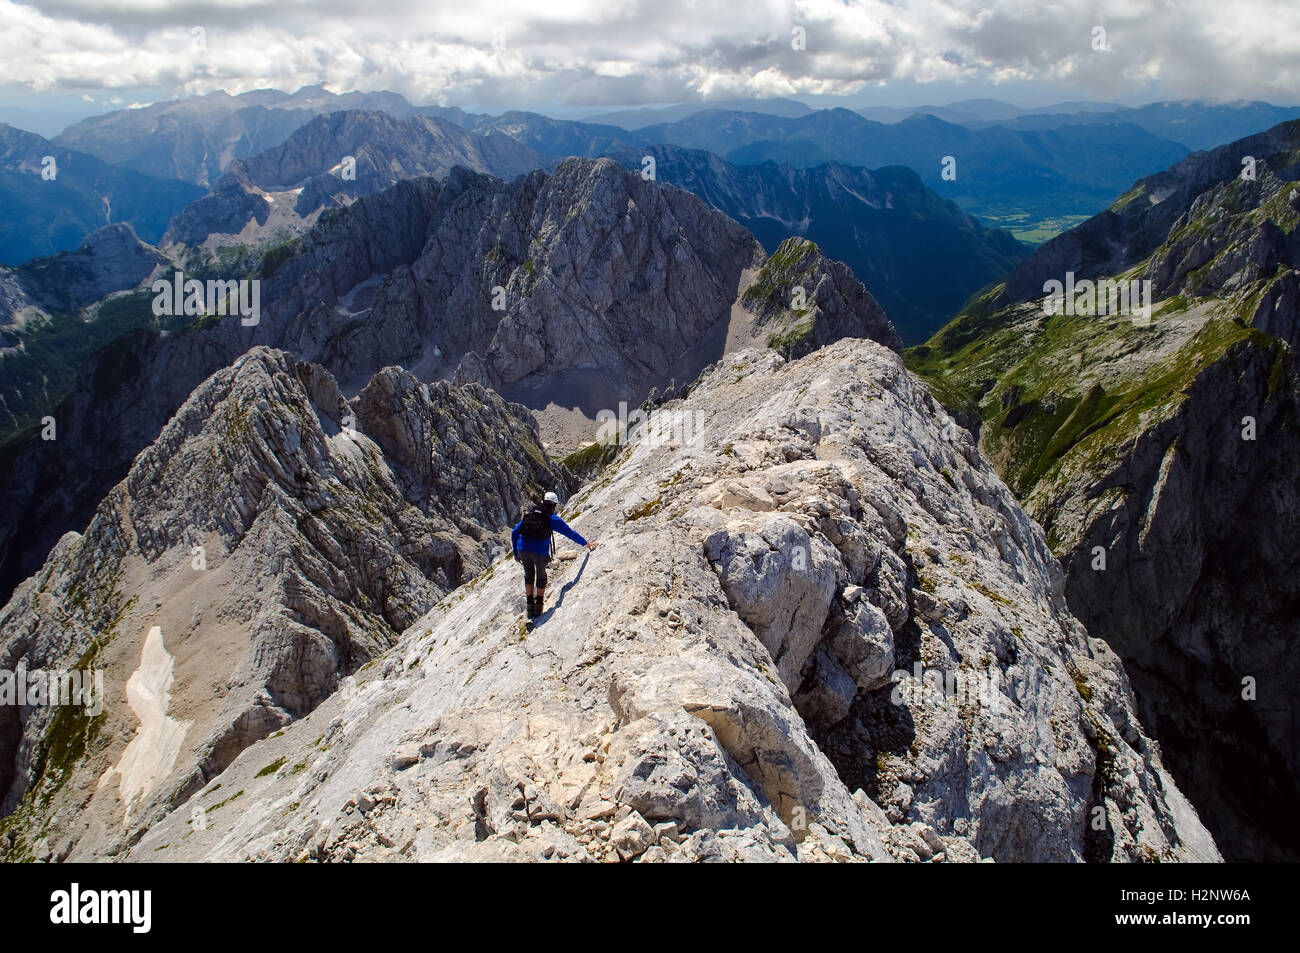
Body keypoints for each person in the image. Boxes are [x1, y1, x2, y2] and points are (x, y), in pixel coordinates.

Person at [512, 491, 597, 618]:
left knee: (529, 575)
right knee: (541, 577)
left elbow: (514, 532)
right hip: (539, 552)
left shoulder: (530, 514)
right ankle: (539, 608)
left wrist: (515, 553)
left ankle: (530, 607)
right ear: (554, 505)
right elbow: (570, 533)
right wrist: (586, 544)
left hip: (522, 549)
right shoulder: (552, 519)